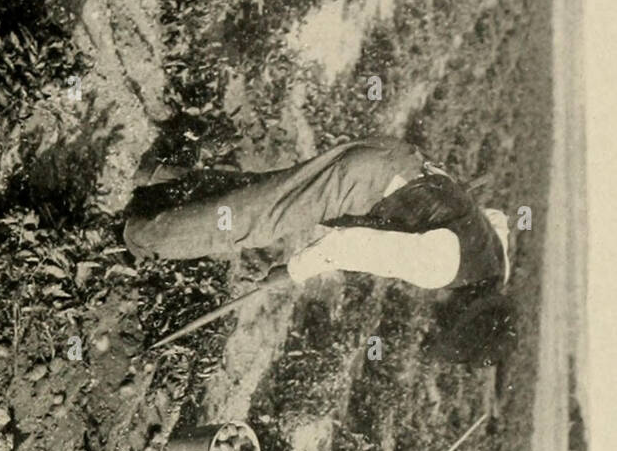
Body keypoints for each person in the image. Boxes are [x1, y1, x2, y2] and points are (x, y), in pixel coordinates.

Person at [123, 136, 514, 365]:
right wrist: (292, 272)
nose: (437, 320)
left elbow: (497, 217)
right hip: (368, 181)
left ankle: (158, 180)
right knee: (255, 221)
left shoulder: (496, 262)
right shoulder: (444, 268)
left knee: (266, 193)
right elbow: (351, 245)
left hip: (397, 157)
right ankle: (136, 236)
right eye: (449, 323)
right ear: (463, 308)